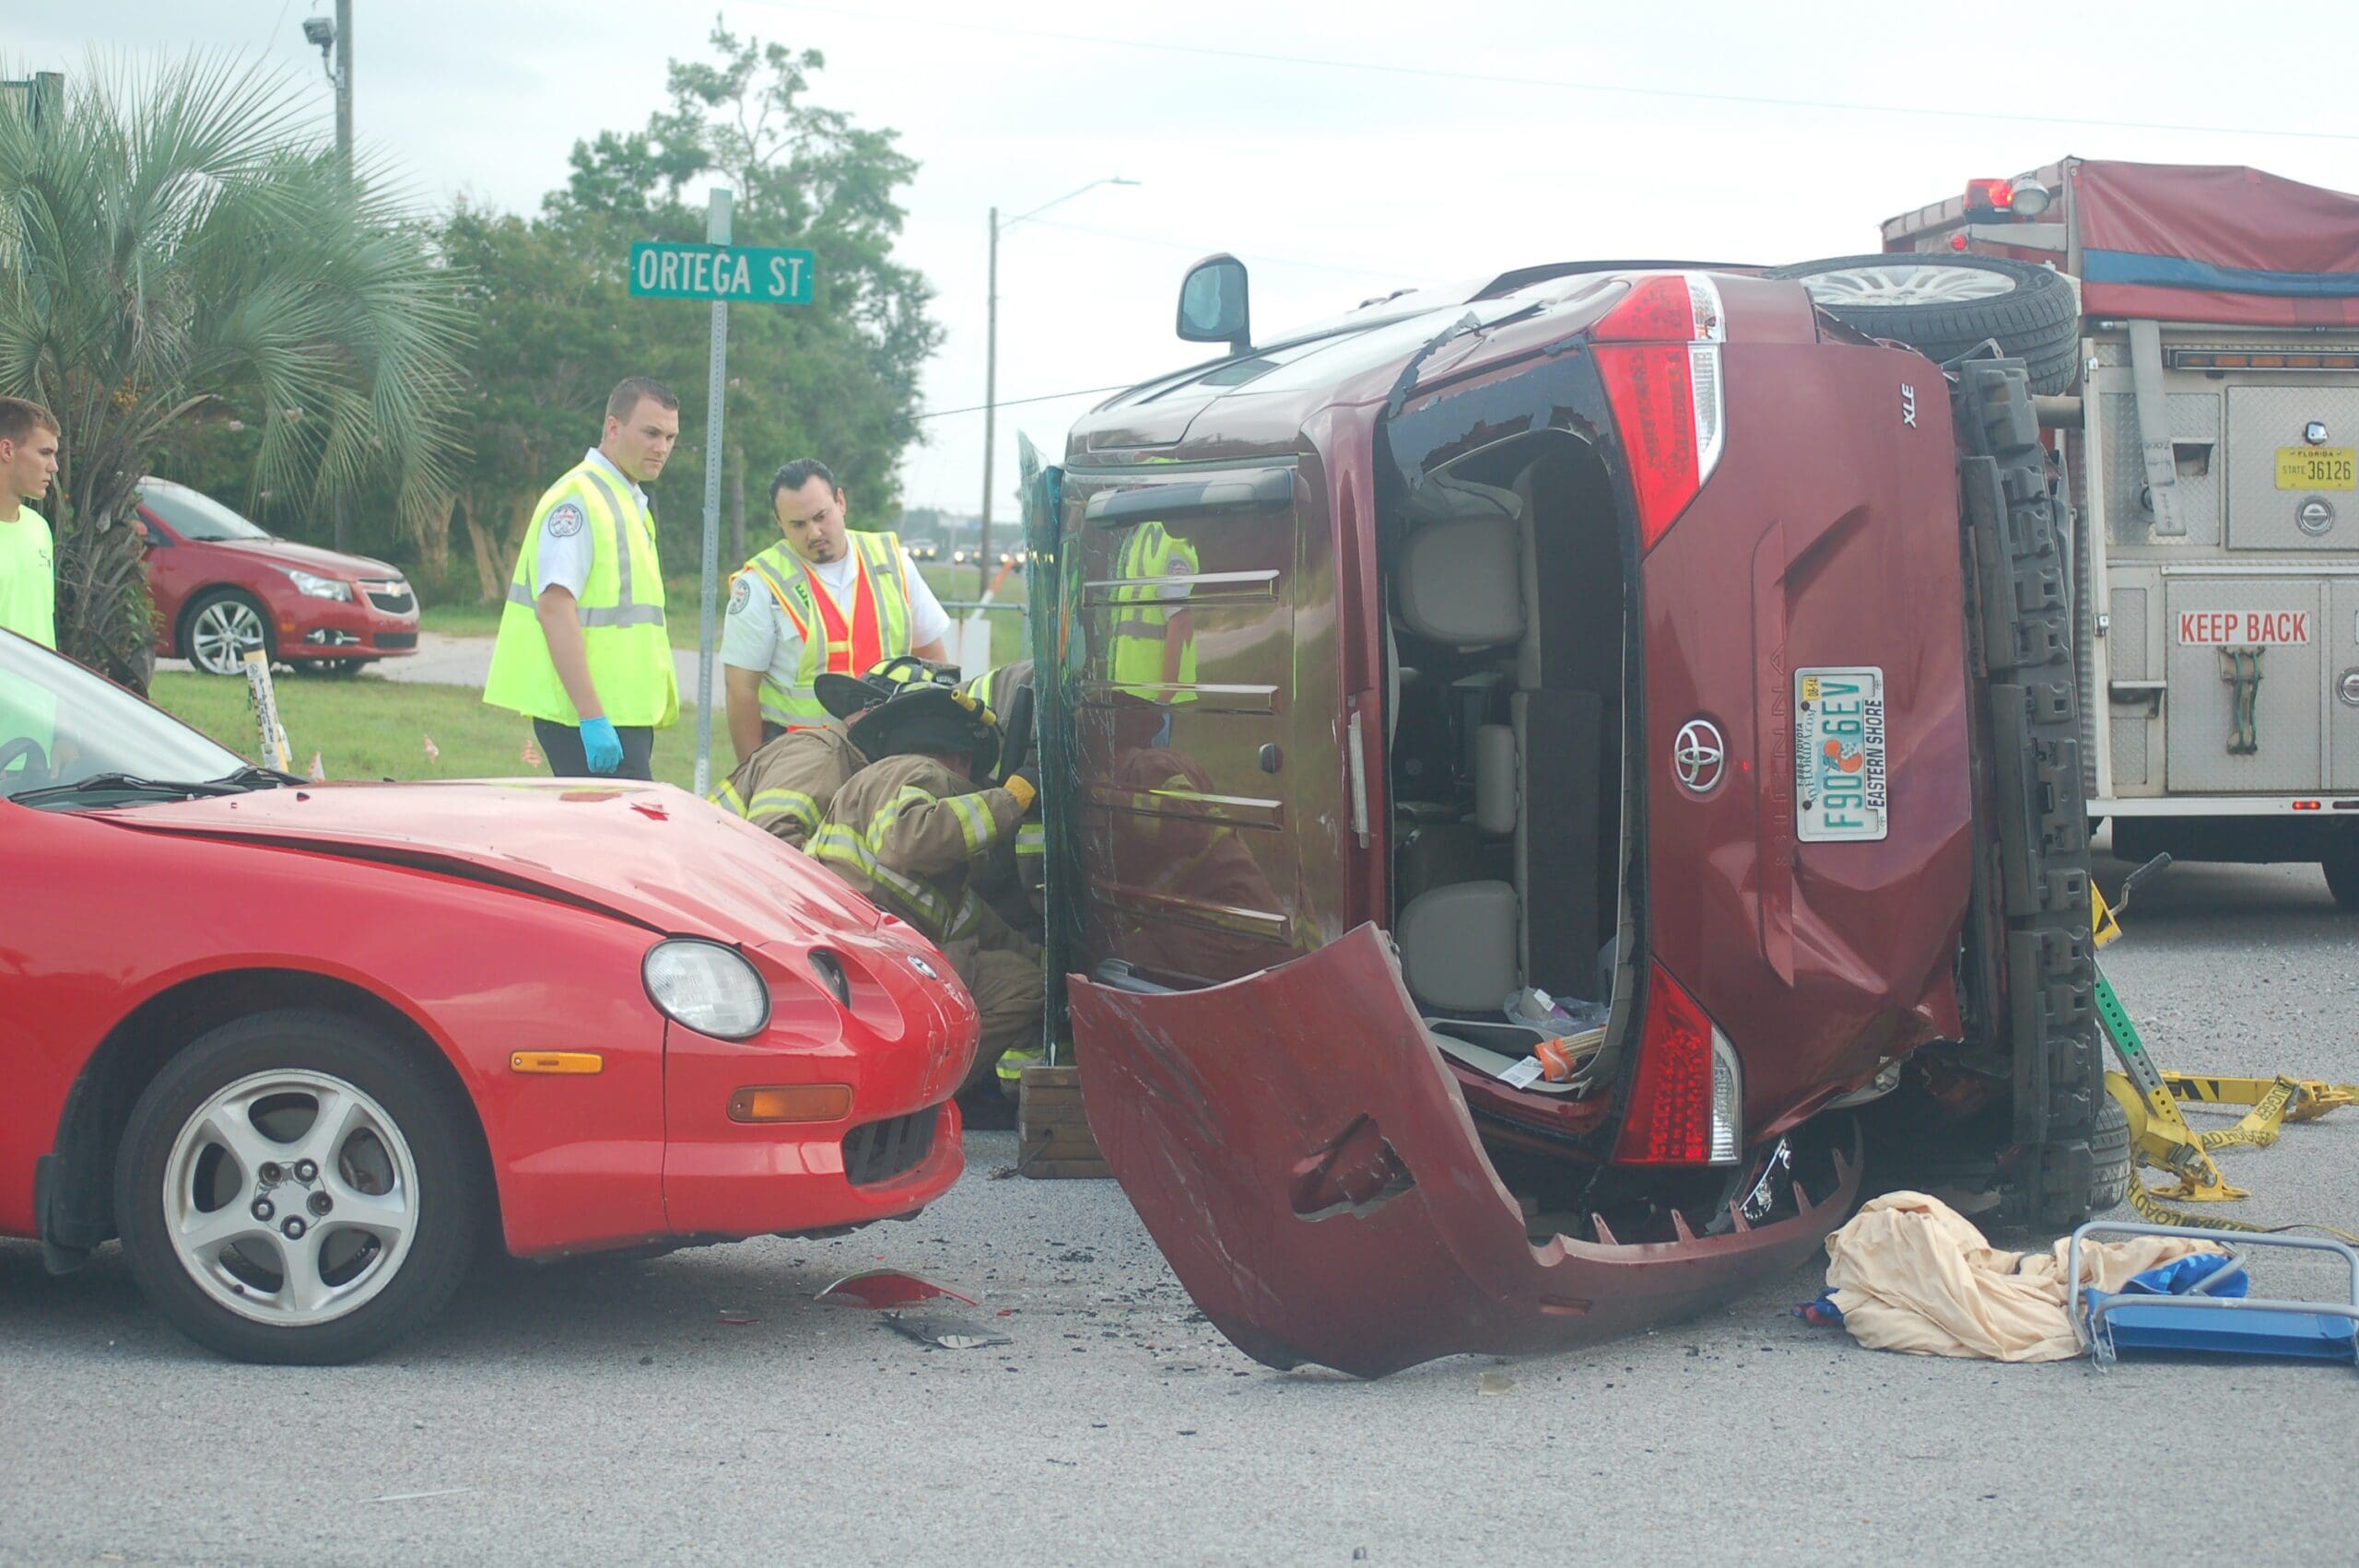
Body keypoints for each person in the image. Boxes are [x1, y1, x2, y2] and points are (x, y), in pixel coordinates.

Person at [807, 659, 1042, 1094]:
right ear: (961, 756)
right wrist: (1012, 799)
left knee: (1024, 970)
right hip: (880, 965)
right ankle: (912, 1091)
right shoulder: (923, 772)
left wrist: (1039, 957)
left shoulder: (872, 785)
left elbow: (967, 918)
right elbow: (910, 838)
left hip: (846, 963)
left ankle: (901, 1088)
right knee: (1023, 987)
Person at [483, 378, 681, 778]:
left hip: (618, 715)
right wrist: (592, 717)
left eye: (671, 436)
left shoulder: (626, 500)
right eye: (651, 433)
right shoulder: (578, 500)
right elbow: (554, 609)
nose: (662, 447)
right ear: (613, 428)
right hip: (586, 719)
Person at [721, 458, 951, 763]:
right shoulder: (762, 584)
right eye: (798, 524)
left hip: (889, 757)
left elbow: (933, 662)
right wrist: (752, 775)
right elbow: (741, 692)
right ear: (779, 522)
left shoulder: (893, 563)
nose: (814, 532)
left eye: (821, 516)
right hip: (800, 764)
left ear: (840, 501)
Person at [0, 397, 62, 649]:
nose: (54, 467)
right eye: (45, 453)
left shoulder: (39, 529)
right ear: (7, 450)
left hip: (40, 687)